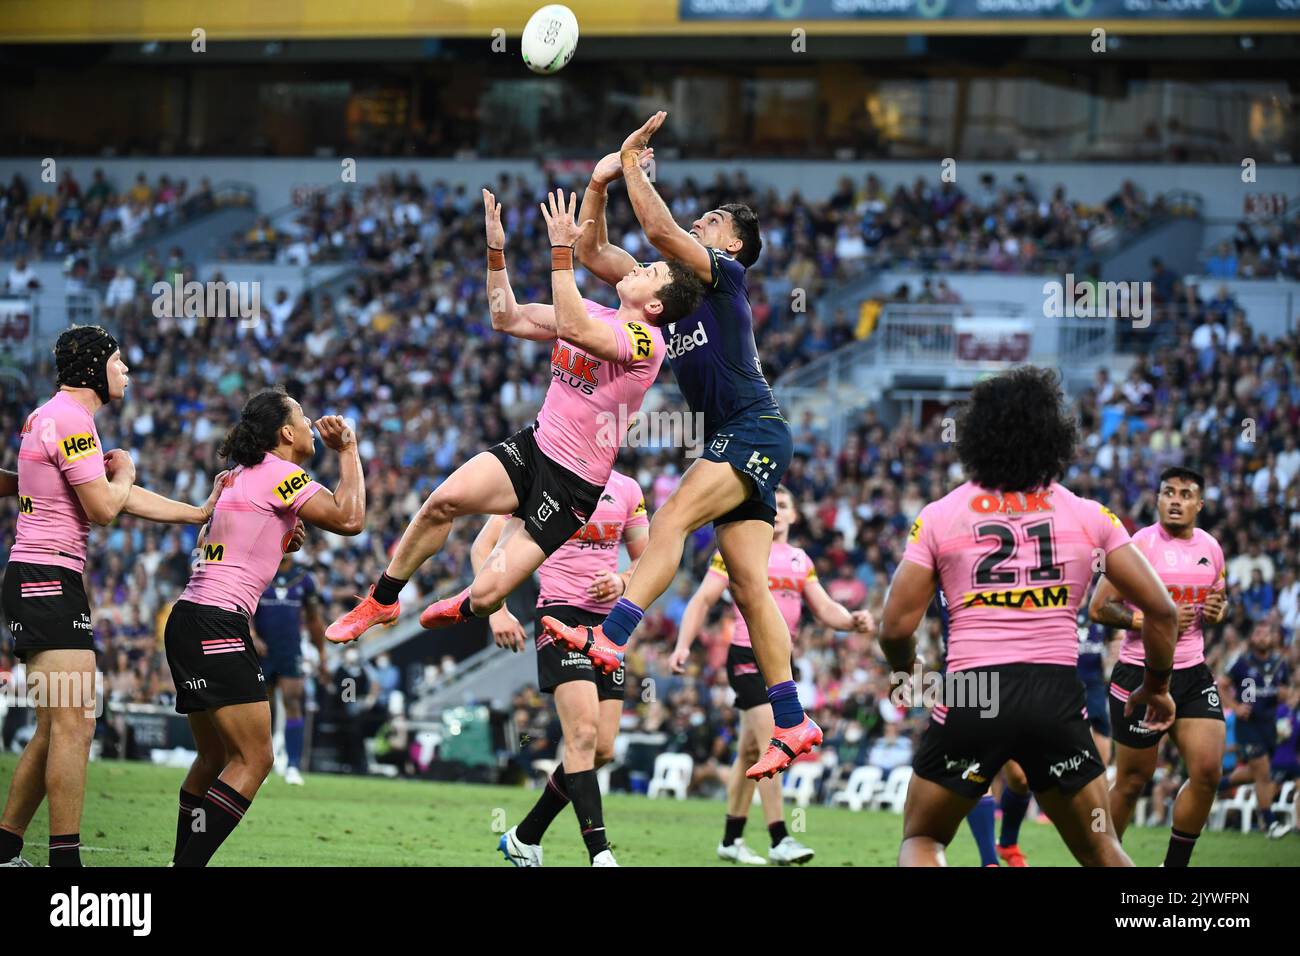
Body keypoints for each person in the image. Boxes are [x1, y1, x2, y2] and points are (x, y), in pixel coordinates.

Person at [555, 114, 814, 781]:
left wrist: (635, 162)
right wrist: (601, 185)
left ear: (733, 241)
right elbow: (594, 256)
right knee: (751, 589)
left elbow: (661, 231)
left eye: (713, 218)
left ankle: (610, 639)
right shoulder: (668, 295)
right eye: (703, 217)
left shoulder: (726, 277)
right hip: (748, 438)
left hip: (750, 430)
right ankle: (793, 720)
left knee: (669, 519)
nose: (701, 222)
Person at [324, 188, 701, 644]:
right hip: (534, 447)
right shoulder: (595, 311)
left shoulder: (647, 343)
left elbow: (576, 328)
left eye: (650, 271)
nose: (638, 266)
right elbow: (507, 318)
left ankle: (468, 604)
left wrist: (561, 250)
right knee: (441, 501)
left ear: (656, 305)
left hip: (571, 487)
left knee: (487, 598)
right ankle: (382, 600)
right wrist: (496, 252)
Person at [878, 366, 1177, 867]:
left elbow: (894, 626)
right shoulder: (1089, 515)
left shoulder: (940, 514)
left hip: (972, 690)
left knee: (923, 839)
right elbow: (1163, 611)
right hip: (1054, 695)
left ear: (977, 435)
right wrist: (1158, 685)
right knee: (1102, 847)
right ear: (1054, 436)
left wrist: (906, 671)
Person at [0, 325, 224, 869]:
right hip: (47, 579)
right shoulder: (73, 422)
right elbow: (105, 506)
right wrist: (123, 470)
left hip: (43, 578)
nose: (126, 371)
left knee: (58, 724)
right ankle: (66, 865)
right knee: (77, 721)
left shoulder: (48, 416)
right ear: (93, 367)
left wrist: (197, 511)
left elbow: (112, 497)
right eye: (119, 361)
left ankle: (6, 849)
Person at [165, 389, 365, 866]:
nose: (311, 420)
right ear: (286, 433)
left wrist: (278, 539)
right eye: (301, 413)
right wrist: (349, 451)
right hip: (219, 622)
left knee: (213, 758)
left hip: (186, 619)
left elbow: (206, 540)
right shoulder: (283, 474)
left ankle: (178, 861)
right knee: (255, 760)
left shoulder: (237, 477)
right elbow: (351, 517)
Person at [668, 485, 873, 865]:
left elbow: (825, 607)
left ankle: (730, 840)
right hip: (746, 656)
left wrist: (851, 621)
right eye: (772, 504)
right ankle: (780, 838)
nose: (777, 511)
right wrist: (683, 644)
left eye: (784, 505)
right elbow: (703, 600)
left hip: (780, 664)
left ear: (794, 515)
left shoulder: (800, 560)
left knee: (749, 750)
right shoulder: (739, 548)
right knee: (772, 746)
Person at [494, 468, 649, 868]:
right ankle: (600, 853)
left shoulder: (628, 489)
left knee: (602, 747)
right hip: (560, 614)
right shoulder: (547, 475)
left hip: (610, 626)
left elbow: (649, 559)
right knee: (581, 733)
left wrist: (622, 579)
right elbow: (493, 549)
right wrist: (497, 609)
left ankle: (525, 836)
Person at [1089, 466, 1228, 866]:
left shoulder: (1211, 547)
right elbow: (1100, 608)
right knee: (1133, 781)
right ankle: (1102, 860)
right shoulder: (1137, 546)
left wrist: (1218, 611)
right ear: (1158, 499)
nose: (1176, 500)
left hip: (1193, 673)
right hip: (1139, 672)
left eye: (1186, 494)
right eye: (1169, 492)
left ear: (1199, 504)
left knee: (1207, 773)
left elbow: (1218, 602)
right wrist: (1151, 618)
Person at [251, 552, 327, 785]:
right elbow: (244, 606)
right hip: (261, 651)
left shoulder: (304, 579)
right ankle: (259, 765)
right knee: (261, 708)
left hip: (290, 649)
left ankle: (293, 765)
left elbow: (314, 619)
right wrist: (252, 635)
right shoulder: (259, 571)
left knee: (293, 702)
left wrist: (322, 654)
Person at [1224, 622, 1291, 834]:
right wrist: (1235, 706)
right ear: (1252, 639)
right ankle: (1270, 823)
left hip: (1270, 727)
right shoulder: (1242, 664)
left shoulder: (1280, 663)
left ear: (1273, 638)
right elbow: (1221, 684)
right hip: (1248, 726)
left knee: (1256, 773)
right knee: (1263, 773)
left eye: (1267, 633)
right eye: (1258, 633)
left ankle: (1215, 784)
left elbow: (1286, 691)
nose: (1263, 637)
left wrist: (1285, 695)